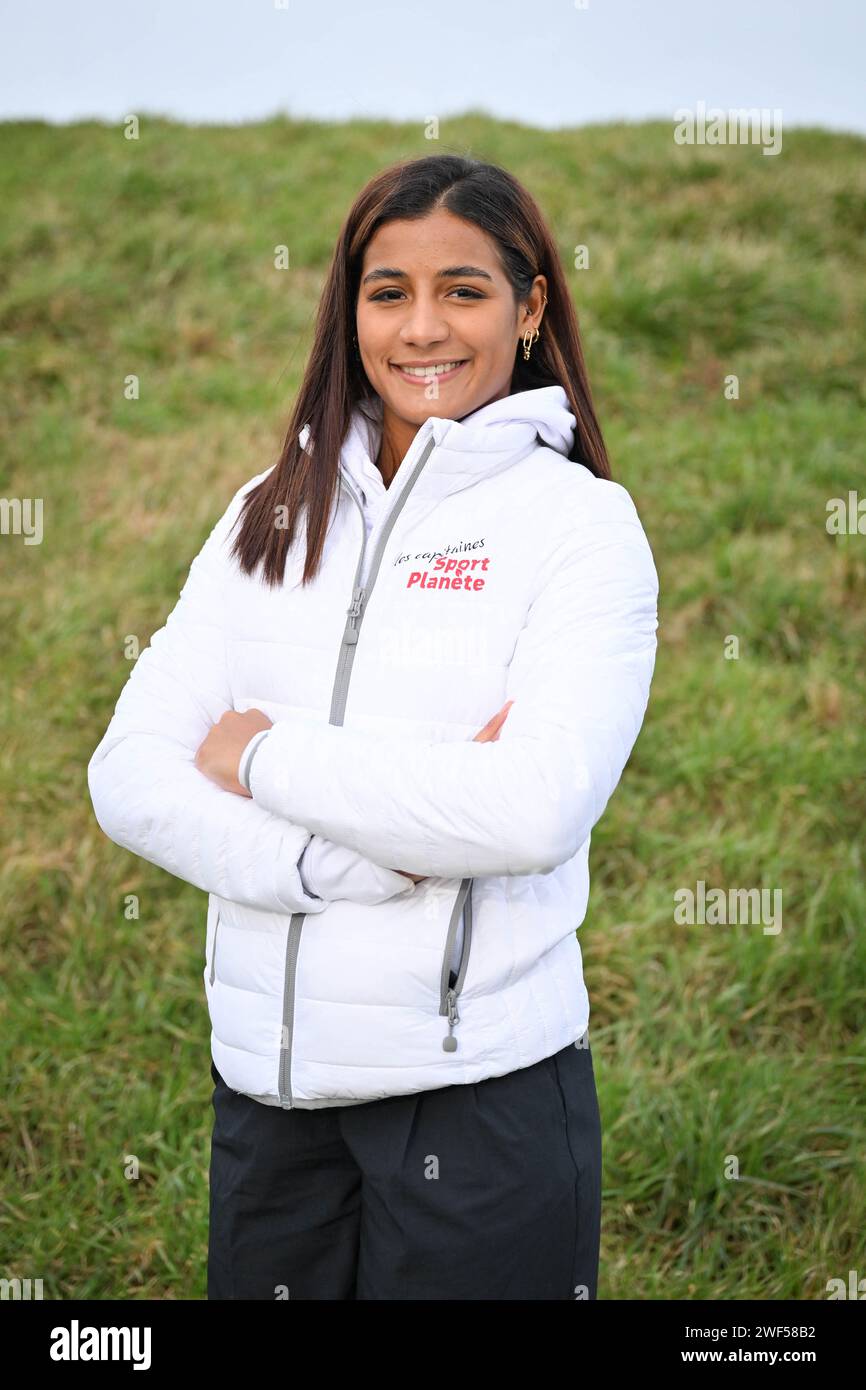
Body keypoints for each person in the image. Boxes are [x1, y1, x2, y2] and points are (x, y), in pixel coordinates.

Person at [87, 153, 659, 1300]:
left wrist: (260, 756)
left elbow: (533, 806)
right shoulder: (266, 509)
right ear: (348, 308)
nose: (421, 329)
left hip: (477, 1102)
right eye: (386, 291)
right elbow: (131, 775)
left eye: (464, 289)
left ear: (531, 305)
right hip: (269, 1101)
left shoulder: (580, 528)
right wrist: (345, 856)